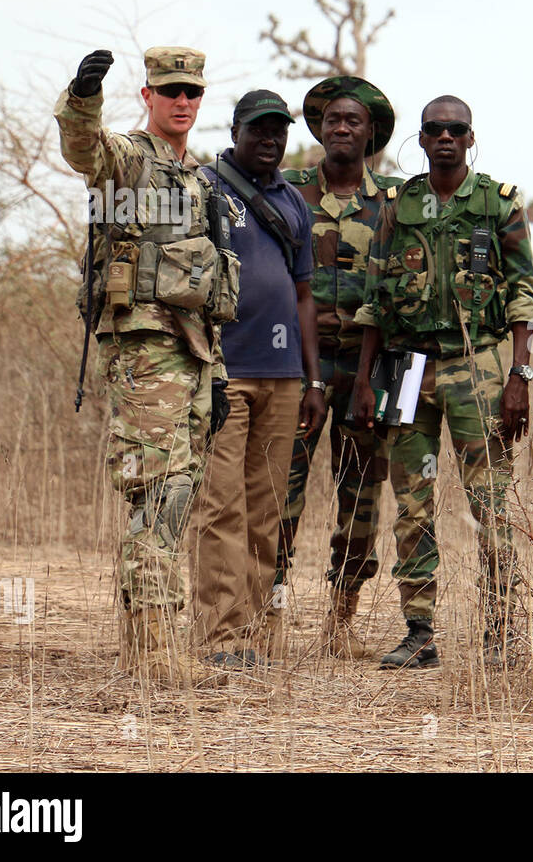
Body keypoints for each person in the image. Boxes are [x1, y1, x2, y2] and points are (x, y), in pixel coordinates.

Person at [55, 47, 239, 687]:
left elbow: (208, 285)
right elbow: (85, 151)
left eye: (191, 92)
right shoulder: (131, 160)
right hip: (143, 348)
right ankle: (158, 650)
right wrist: (83, 99)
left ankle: (148, 647)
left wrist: (215, 373)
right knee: (152, 494)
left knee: (176, 495)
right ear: (148, 95)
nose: (182, 102)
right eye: (170, 91)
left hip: (192, 351)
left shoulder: (198, 178)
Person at [350, 95, 533, 669]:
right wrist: (363, 380)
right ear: (423, 138)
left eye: (455, 130)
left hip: (475, 362)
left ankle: (502, 632)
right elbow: (375, 297)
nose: (445, 138)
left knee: (491, 505)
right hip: (407, 369)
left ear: (470, 137)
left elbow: (522, 292)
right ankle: (419, 631)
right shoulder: (397, 203)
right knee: (411, 503)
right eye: (434, 130)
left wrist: (519, 374)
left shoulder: (498, 203)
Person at [192, 90, 323, 667]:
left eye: (279, 131)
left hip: (284, 376)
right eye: (258, 130)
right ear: (236, 131)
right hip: (225, 373)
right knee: (222, 506)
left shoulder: (295, 201)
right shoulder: (202, 188)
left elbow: (303, 296)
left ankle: (256, 634)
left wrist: (314, 381)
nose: (269, 140)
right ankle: (222, 636)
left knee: (267, 508)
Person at [277, 76, 401, 660]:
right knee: (280, 489)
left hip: (368, 366)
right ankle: (265, 610)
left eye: (354, 121)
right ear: (319, 130)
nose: (342, 128)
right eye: (332, 120)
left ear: (371, 133)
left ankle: (342, 618)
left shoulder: (399, 202)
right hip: (295, 362)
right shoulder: (287, 191)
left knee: (361, 495)